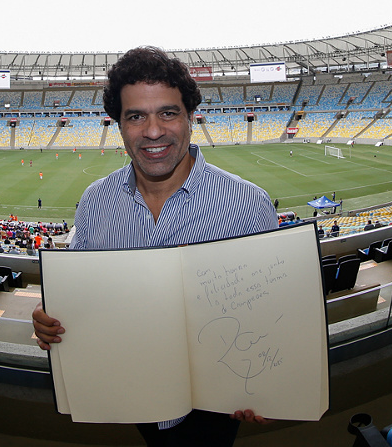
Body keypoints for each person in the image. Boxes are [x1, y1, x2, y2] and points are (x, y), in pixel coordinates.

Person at [32, 46, 275, 446]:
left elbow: (269, 317)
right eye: (135, 116)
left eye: (168, 112)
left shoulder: (248, 205)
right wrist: (51, 319)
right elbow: (79, 299)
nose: (153, 131)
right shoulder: (95, 203)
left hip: (215, 405)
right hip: (130, 394)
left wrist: (262, 384)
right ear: (119, 125)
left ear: (190, 118)